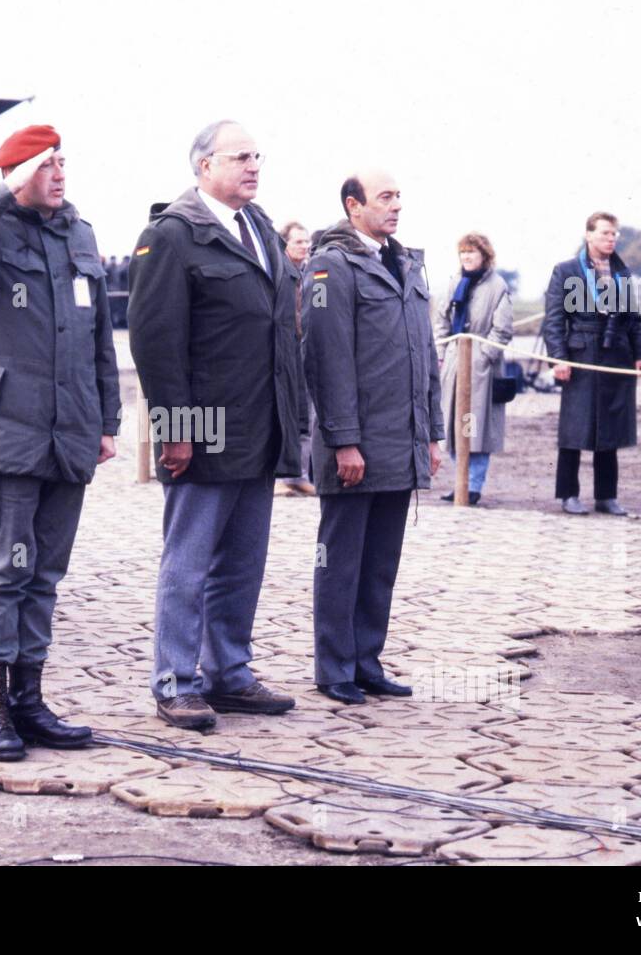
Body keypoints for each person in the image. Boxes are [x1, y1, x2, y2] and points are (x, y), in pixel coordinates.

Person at [0, 125, 121, 760]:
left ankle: (30, 699)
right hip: (8, 425)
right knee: (3, 571)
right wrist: (2, 190)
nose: (61, 173)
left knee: (44, 573)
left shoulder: (81, 234)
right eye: (46, 165)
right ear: (17, 175)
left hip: (71, 429)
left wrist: (108, 421)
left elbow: (98, 339)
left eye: (65, 161)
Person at [127, 119, 303, 730]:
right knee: (190, 559)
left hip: (260, 425)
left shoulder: (258, 227)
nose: (254, 166)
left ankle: (229, 673)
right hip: (203, 427)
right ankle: (176, 681)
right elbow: (156, 341)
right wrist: (176, 429)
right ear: (204, 166)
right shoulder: (174, 234)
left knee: (243, 560)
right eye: (240, 157)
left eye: (258, 156)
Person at [301, 169, 443, 705]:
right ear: (353, 206)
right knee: (341, 560)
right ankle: (333, 667)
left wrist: (430, 432)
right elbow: (324, 357)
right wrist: (342, 440)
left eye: (400, 196)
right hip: (356, 445)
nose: (397, 205)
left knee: (381, 559)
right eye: (385, 197)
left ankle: (366, 661)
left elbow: (424, 354)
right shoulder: (330, 266)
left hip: (399, 441)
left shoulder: (404, 263)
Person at [543, 212, 641, 515]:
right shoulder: (565, 271)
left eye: (614, 233)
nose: (611, 238)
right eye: (605, 233)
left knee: (611, 427)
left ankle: (606, 496)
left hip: (616, 353)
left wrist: (640, 355)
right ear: (589, 235)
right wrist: (559, 360)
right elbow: (553, 320)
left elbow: (632, 320)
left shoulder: (622, 272)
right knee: (574, 428)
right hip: (580, 355)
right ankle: (568, 495)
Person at [432, 232, 514, 505]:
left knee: (476, 428)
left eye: (472, 252)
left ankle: (474, 485)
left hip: (482, 367)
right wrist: (442, 354)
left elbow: (502, 329)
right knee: (455, 426)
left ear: (484, 255)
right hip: (454, 363)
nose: (467, 257)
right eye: (463, 252)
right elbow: (441, 321)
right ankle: (460, 482)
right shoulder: (454, 283)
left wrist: (484, 356)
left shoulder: (498, 286)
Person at [279, 220, 316, 496]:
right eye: (298, 242)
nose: (305, 246)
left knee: (306, 415)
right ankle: (284, 474)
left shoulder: (313, 274)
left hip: (307, 350)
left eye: (307, 241)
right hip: (283, 352)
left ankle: (298, 473)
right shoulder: (277, 274)